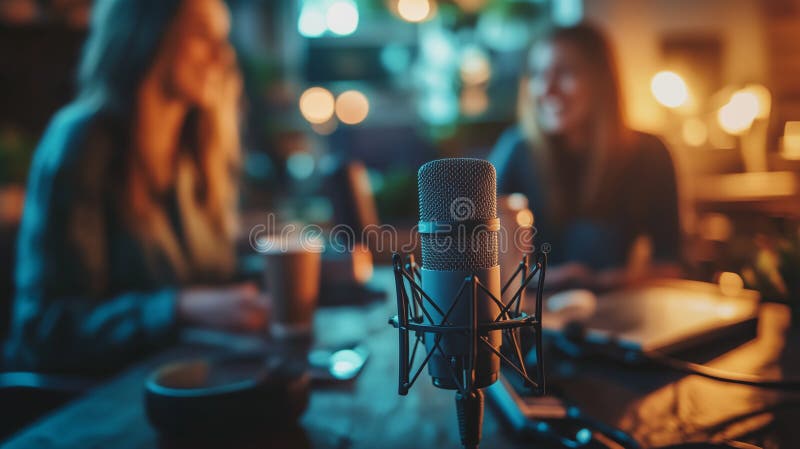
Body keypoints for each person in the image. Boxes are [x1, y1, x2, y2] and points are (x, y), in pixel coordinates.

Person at [6, 0, 269, 373]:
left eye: (222, 39)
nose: (222, 55)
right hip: (92, 407)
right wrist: (179, 308)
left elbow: (211, 281)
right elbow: (45, 330)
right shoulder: (83, 141)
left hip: (184, 386)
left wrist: (286, 274)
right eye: (200, 35)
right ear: (145, 35)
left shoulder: (196, 150)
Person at [490, 23, 682, 292]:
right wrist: (543, 278)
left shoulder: (649, 153)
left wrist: (603, 282)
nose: (546, 89)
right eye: (537, 74)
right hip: (532, 315)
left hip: (612, 314)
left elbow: (670, 264)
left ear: (601, 82)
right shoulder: (517, 150)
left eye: (565, 73)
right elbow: (481, 260)